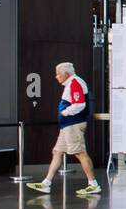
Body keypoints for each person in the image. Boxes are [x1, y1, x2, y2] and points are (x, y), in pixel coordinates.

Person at [27, 62, 100, 197]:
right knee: (57, 152)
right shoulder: (72, 84)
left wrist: (65, 112)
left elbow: (79, 104)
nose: (56, 77)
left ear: (66, 74)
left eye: (58, 74)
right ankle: (46, 183)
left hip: (73, 125)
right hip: (67, 126)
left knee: (80, 153)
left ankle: (93, 184)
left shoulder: (75, 83)